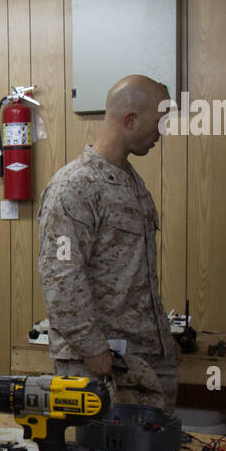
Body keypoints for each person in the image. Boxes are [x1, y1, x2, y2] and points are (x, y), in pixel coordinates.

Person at [37, 74, 177, 412]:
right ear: (130, 119)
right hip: (100, 364)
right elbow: (60, 275)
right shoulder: (75, 186)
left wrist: (163, 340)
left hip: (139, 357)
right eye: (159, 123)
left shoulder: (129, 181)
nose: (163, 132)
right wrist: (92, 347)